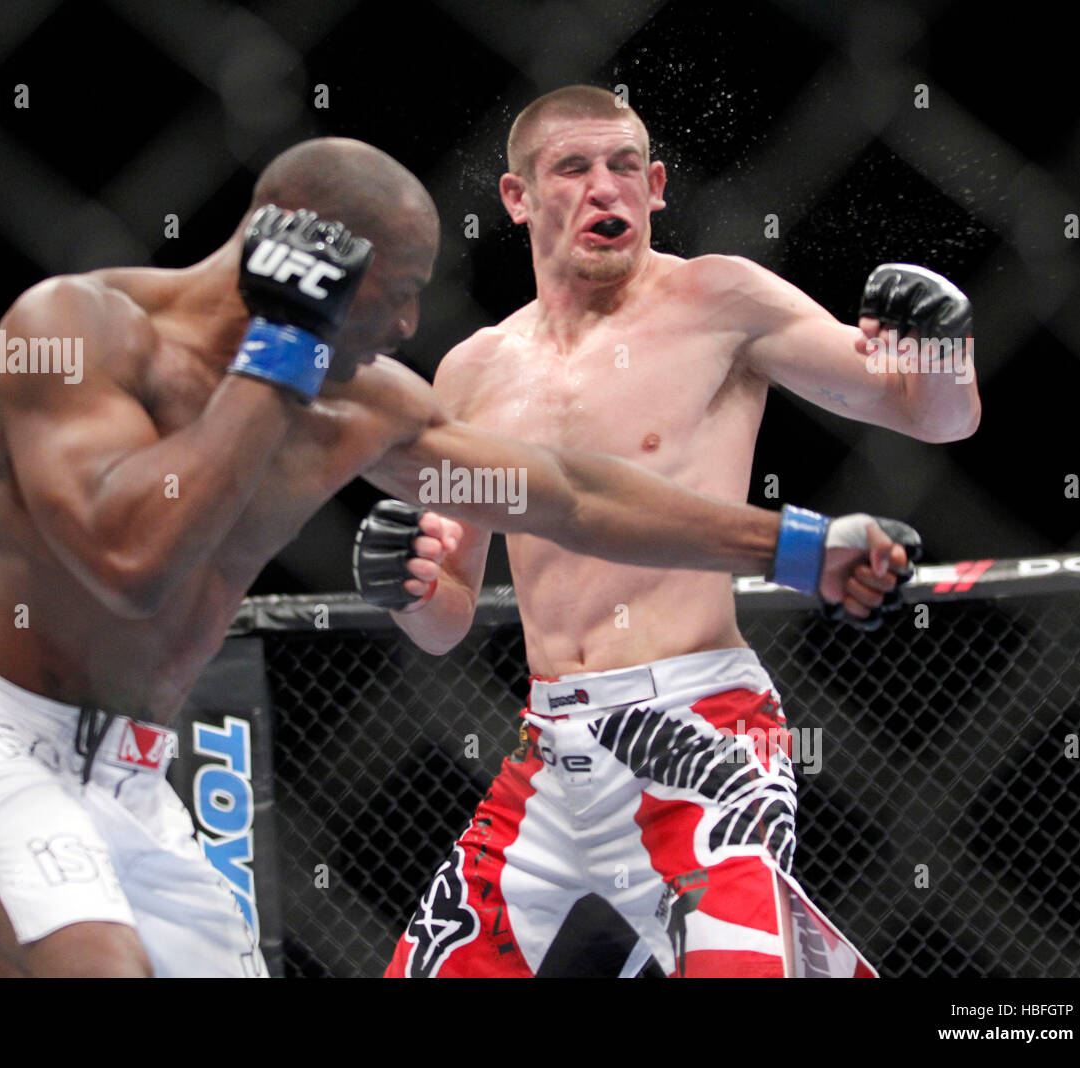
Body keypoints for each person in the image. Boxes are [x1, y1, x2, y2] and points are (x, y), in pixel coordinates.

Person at [0, 136, 913, 978]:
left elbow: (570, 495)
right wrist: (275, 357)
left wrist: (795, 544)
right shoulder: (79, 330)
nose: (406, 322)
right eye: (391, 289)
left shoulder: (357, 404)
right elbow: (133, 556)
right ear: (301, 262)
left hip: (132, 782)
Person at [360, 86, 977, 978]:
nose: (603, 188)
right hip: (548, 757)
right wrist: (407, 585)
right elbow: (447, 614)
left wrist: (940, 349)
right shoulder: (474, 372)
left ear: (655, 188)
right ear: (518, 198)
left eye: (624, 169)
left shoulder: (717, 300)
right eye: (573, 168)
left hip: (704, 734)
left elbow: (930, 415)